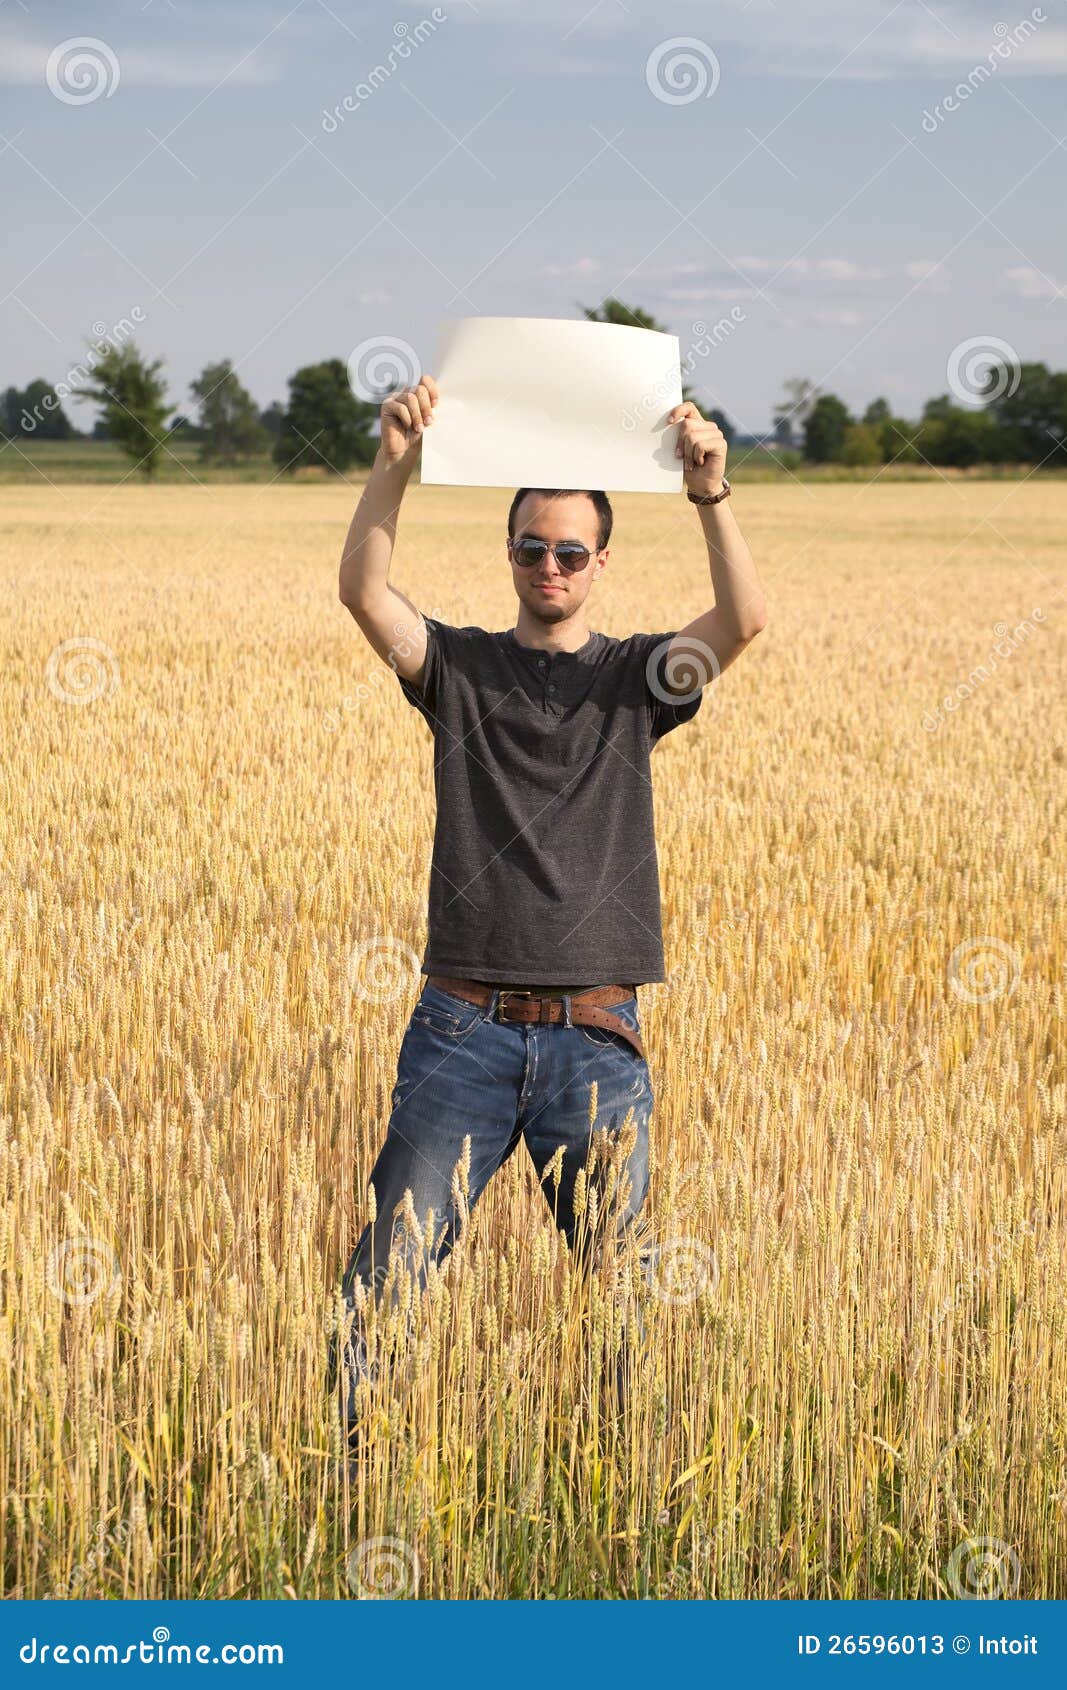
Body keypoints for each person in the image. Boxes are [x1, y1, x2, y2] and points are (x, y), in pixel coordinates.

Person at [327, 371, 767, 1454]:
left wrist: (711, 494)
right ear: (510, 554)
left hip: (596, 1040)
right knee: (384, 1282)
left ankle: (626, 1515)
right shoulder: (462, 672)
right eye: (531, 547)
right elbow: (364, 594)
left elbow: (745, 619)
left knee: (626, 1307)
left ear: (600, 563)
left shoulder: (636, 680)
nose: (549, 566)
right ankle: (341, 1486)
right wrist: (394, 462)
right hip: (458, 1033)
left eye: (570, 551)